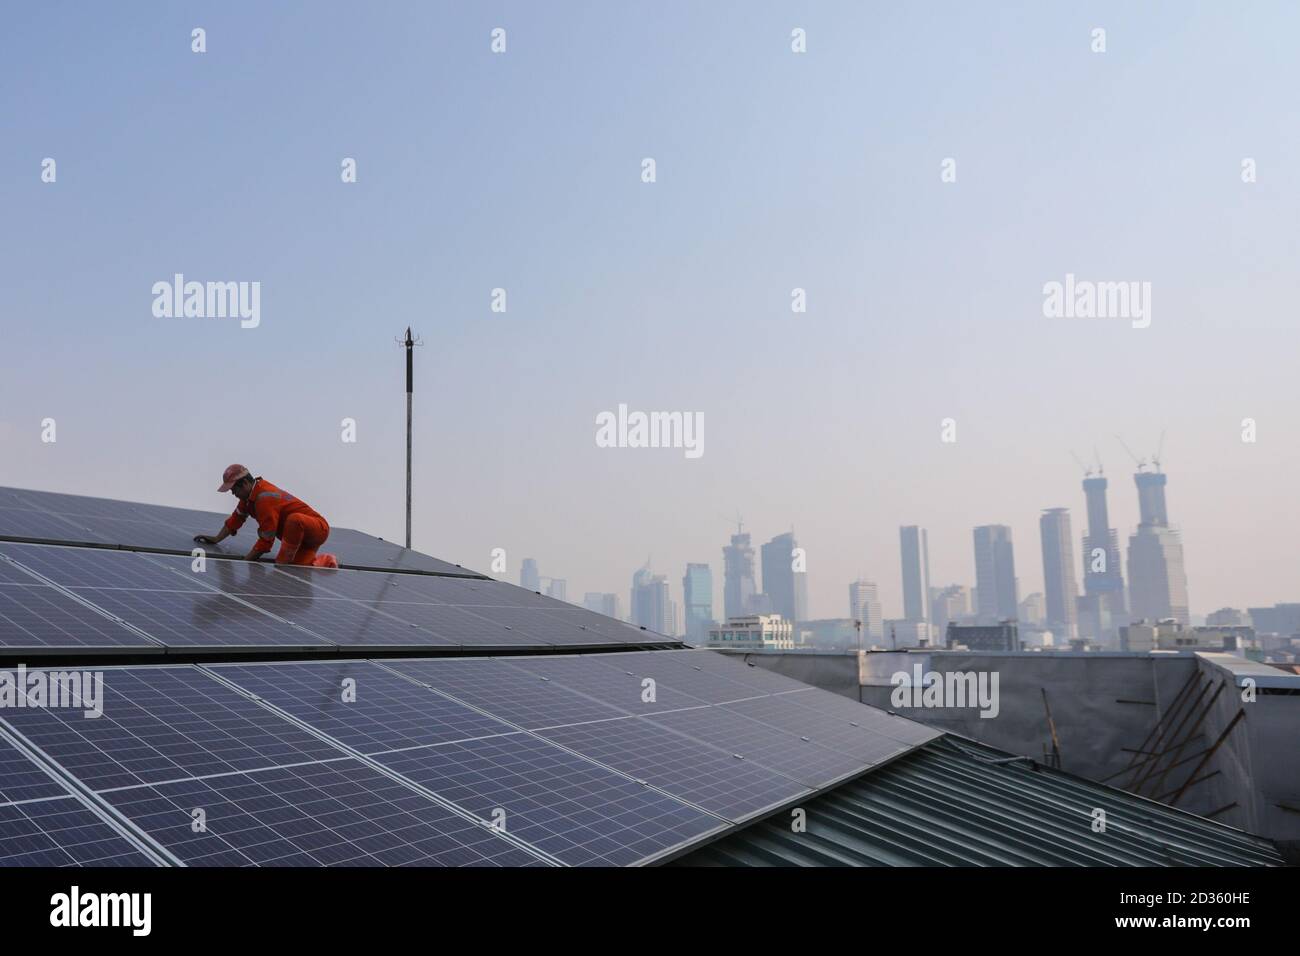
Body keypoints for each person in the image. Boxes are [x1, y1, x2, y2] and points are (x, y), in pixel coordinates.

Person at [194, 464, 334, 566]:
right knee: (297, 569)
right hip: (301, 541)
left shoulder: (264, 498)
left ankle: (283, 562)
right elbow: (236, 519)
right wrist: (216, 539)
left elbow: (267, 539)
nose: (233, 493)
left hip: (317, 529)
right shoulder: (248, 499)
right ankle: (328, 561)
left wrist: (246, 562)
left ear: (245, 483)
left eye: (233, 489)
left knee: (293, 523)